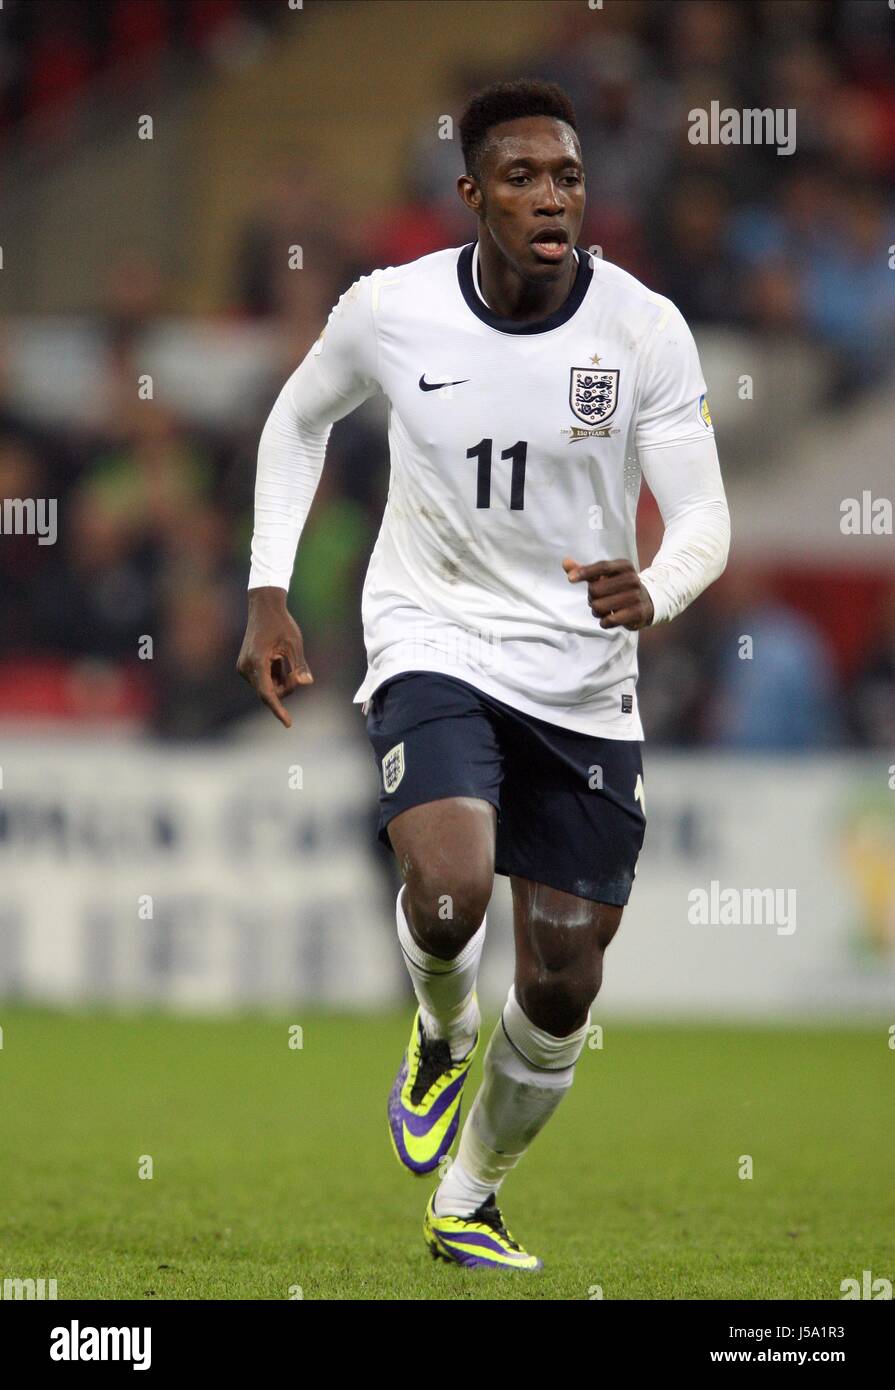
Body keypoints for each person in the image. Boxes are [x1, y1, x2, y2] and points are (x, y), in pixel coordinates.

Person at [237, 79, 730, 1271]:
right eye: (521, 177)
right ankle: (441, 1027)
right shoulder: (390, 310)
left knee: (564, 977)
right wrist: (266, 590)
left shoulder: (643, 329)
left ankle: (470, 1194)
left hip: (580, 676)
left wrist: (654, 589)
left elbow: (705, 514)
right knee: (451, 888)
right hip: (433, 636)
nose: (550, 196)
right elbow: (298, 421)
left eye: (565, 176)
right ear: (471, 196)